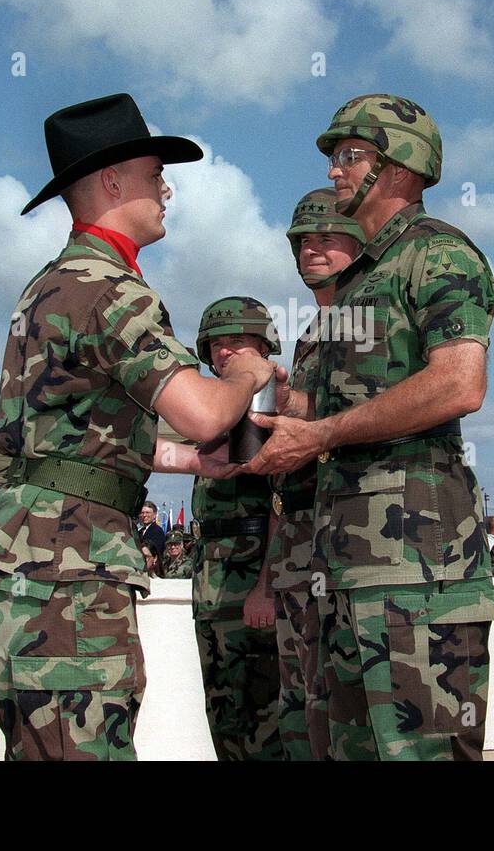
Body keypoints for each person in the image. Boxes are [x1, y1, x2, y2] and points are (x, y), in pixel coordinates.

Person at [0, 94, 275, 762]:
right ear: (111, 181)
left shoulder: (50, 285)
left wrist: (198, 464)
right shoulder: (109, 288)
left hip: (41, 550)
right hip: (69, 562)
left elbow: (72, 442)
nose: (165, 188)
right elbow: (202, 411)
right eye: (152, 172)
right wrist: (248, 372)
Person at [248, 94, 494, 761]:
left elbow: (459, 382)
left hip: (419, 567)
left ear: (402, 167)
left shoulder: (438, 254)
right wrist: (276, 420)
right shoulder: (360, 283)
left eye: (350, 156)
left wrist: (321, 434)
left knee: (424, 752)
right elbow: (334, 414)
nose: (335, 172)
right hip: (345, 568)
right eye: (335, 158)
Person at [270, 187, 365, 761]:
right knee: (309, 690)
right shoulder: (312, 335)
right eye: (303, 241)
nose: (312, 250)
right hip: (305, 538)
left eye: (327, 238)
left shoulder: (370, 320)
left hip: (361, 536)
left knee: (349, 696)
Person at [190, 296, 284, 761]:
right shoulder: (216, 411)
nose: (224, 353)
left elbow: (282, 504)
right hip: (212, 584)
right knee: (224, 715)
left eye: (237, 342)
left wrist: (266, 587)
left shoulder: (270, 409)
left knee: (265, 721)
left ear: (264, 347)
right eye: (217, 344)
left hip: (251, 581)